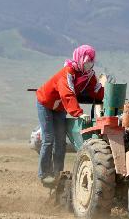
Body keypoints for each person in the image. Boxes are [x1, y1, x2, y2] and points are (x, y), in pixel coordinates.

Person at [35, 45, 105, 186]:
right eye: (86, 61)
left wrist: (104, 90)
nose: (89, 64)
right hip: (46, 104)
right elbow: (68, 94)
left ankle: (57, 173)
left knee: (61, 141)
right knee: (49, 139)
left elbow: (96, 91)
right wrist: (78, 113)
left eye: (91, 61)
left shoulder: (89, 75)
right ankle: (44, 173)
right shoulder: (68, 72)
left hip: (60, 107)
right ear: (79, 59)